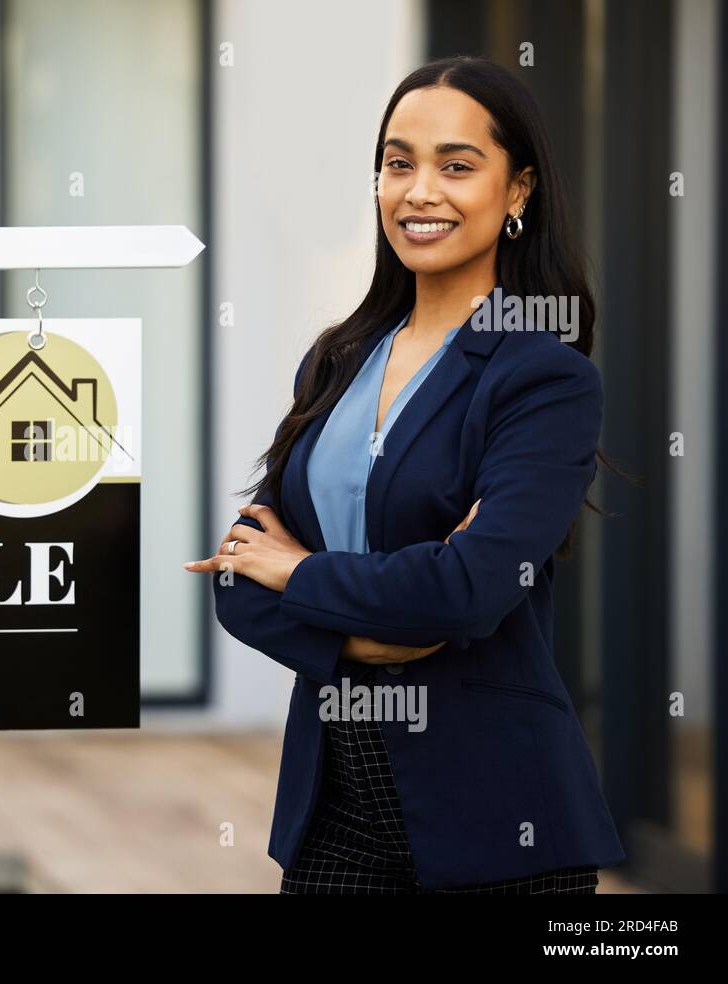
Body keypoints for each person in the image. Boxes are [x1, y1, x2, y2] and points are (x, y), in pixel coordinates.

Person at [183, 55, 625, 893]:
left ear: (518, 190)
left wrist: (302, 574)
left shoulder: (542, 377)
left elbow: (466, 594)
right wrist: (374, 616)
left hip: (497, 826)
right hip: (332, 818)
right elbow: (242, 576)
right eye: (398, 163)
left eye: (457, 166)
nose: (420, 191)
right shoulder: (337, 361)